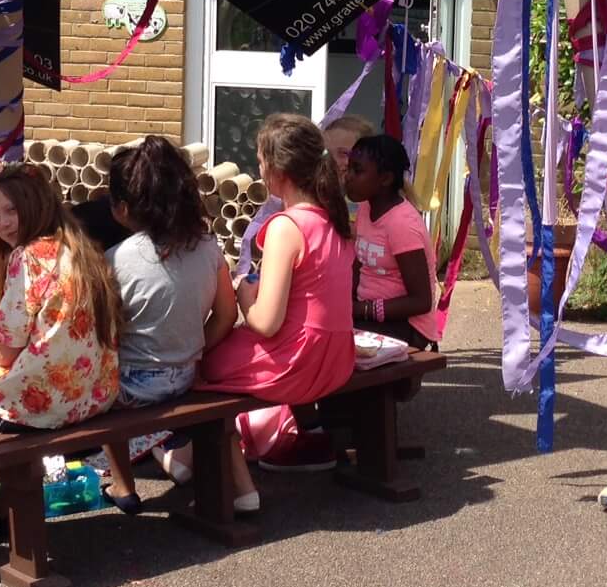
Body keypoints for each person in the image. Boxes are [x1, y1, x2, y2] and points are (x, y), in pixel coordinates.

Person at [0, 163, 121, 544]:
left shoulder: (28, 257)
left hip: (39, 405)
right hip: (93, 397)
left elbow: (0, 352)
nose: (2, 224)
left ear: (33, 202)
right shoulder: (80, 246)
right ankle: (2, 508)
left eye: (10, 211)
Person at [199, 113, 356, 506]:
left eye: (260, 159)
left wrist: (240, 292)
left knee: (198, 366)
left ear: (278, 170)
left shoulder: (287, 226)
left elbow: (266, 323)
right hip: (337, 357)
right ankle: (223, 463)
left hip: (296, 361)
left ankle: (215, 470)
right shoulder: (336, 220)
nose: (258, 168)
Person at [99, 137, 235, 512]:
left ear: (122, 208)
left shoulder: (115, 259)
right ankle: (173, 448)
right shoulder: (208, 247)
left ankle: (123, 485)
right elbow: (227, 314)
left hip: (130, 390)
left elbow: (102, 335)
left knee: (97, 378)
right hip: (188, 375)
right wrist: (195, 346)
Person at [344, 135, 439, 351]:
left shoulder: (401, 224)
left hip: (407, 326)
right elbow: (360, 264)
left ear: (385, 179)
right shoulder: (366, 209)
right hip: (370, 317)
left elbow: (421, 301)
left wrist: (360, 310)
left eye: (357, 171)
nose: (348, 177)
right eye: (349, 169)